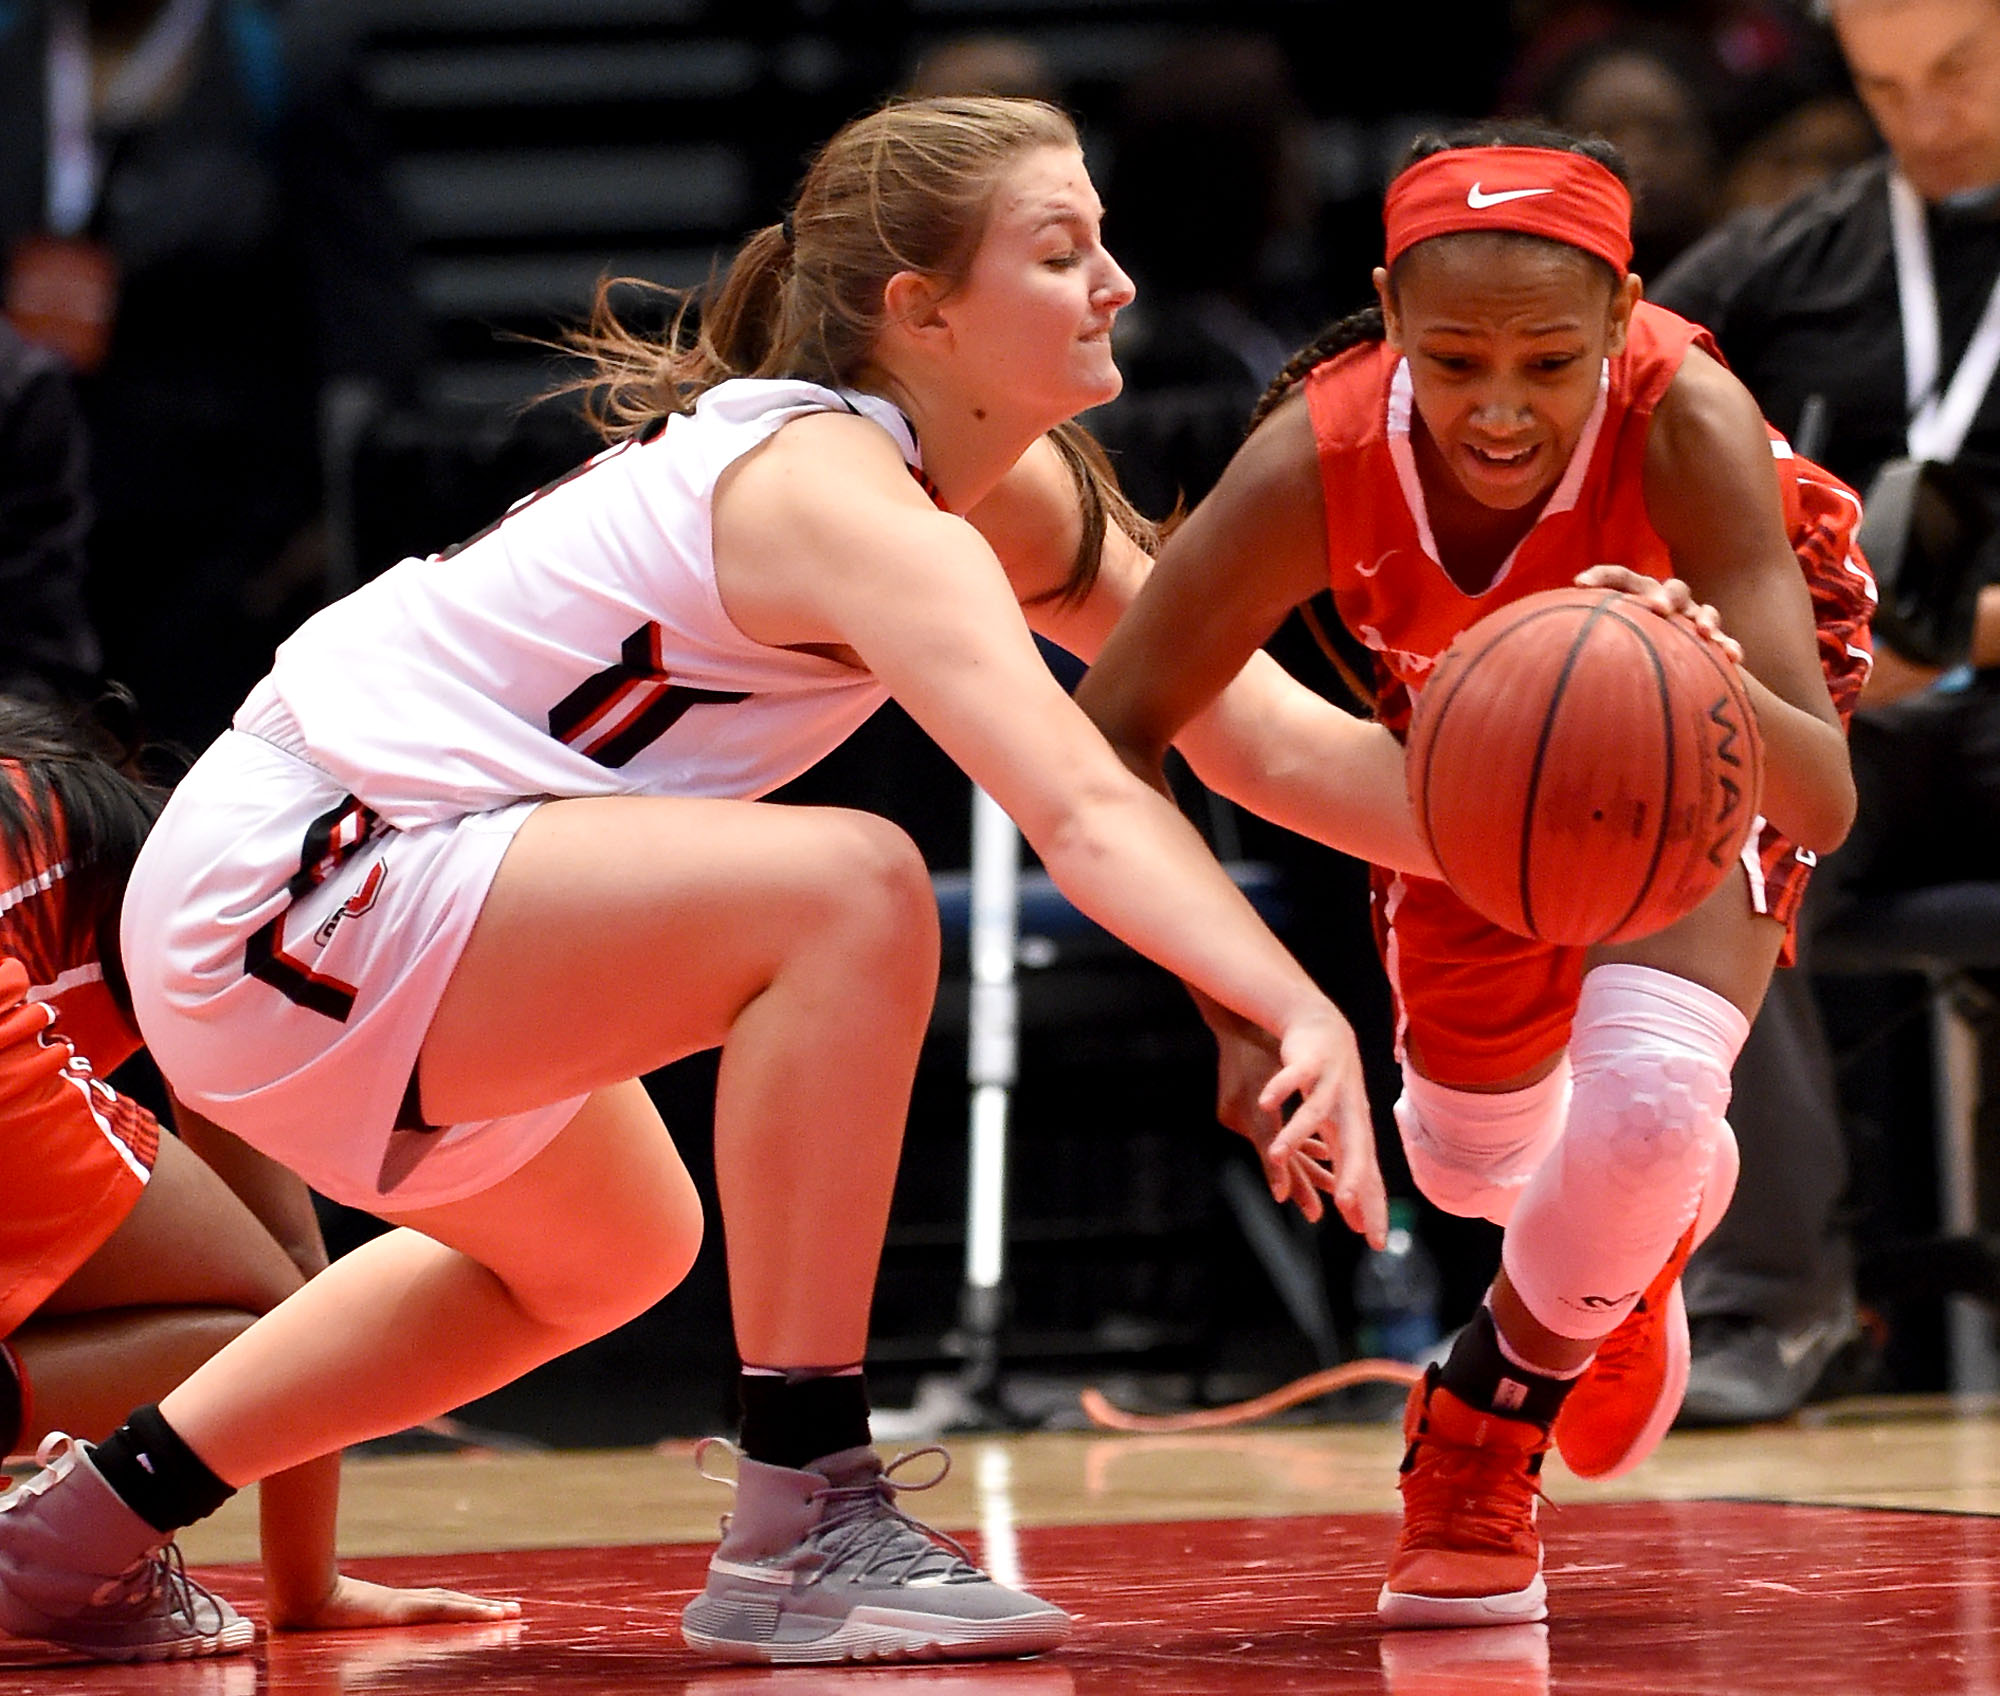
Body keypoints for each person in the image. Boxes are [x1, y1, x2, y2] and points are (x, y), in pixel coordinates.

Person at [0, 95, 1412, 1667]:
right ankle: (806, 1511)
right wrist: (1294, 1006)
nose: (1119, 283)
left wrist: (1625, 831)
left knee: (615, 1249)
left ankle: (77, 1530)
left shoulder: (994, 494)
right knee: (850, 889)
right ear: (922, 311)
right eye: (1062, 249)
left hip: (346, 892)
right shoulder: (837, 495)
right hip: (300, 875)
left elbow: (1269, 742)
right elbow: (1080, 804)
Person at [1076, 121, 1872, 1627]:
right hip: (1482, 752)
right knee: (1473, 1167)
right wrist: (1232, 1003)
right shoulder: (1313, 454)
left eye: (1549, 365)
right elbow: (1110, 735)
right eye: (1455, 364)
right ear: (1385, 315)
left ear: (1625, 314)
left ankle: (1477, 1435)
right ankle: (1628, 1251)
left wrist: (1694, 665)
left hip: (1723, 724)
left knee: (1640, 1108)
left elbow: (1822, 790)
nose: (1500, 410)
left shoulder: (1687, 420)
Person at [1649, 0, 2000, 1423]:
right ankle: (1771, 1306)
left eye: (1962, 74)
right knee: (1690, 806)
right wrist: (1822, 642)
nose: (1924, 119)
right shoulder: (1795, 252)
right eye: (1884, 86)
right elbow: (1630, 412)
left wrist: (1956, 629)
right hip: (1850, 725)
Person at [0, 694, 514, 1656]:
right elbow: (296, 1305)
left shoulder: (72, 842)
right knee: (256, 1342)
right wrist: (306, 1586)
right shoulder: (213, 886)